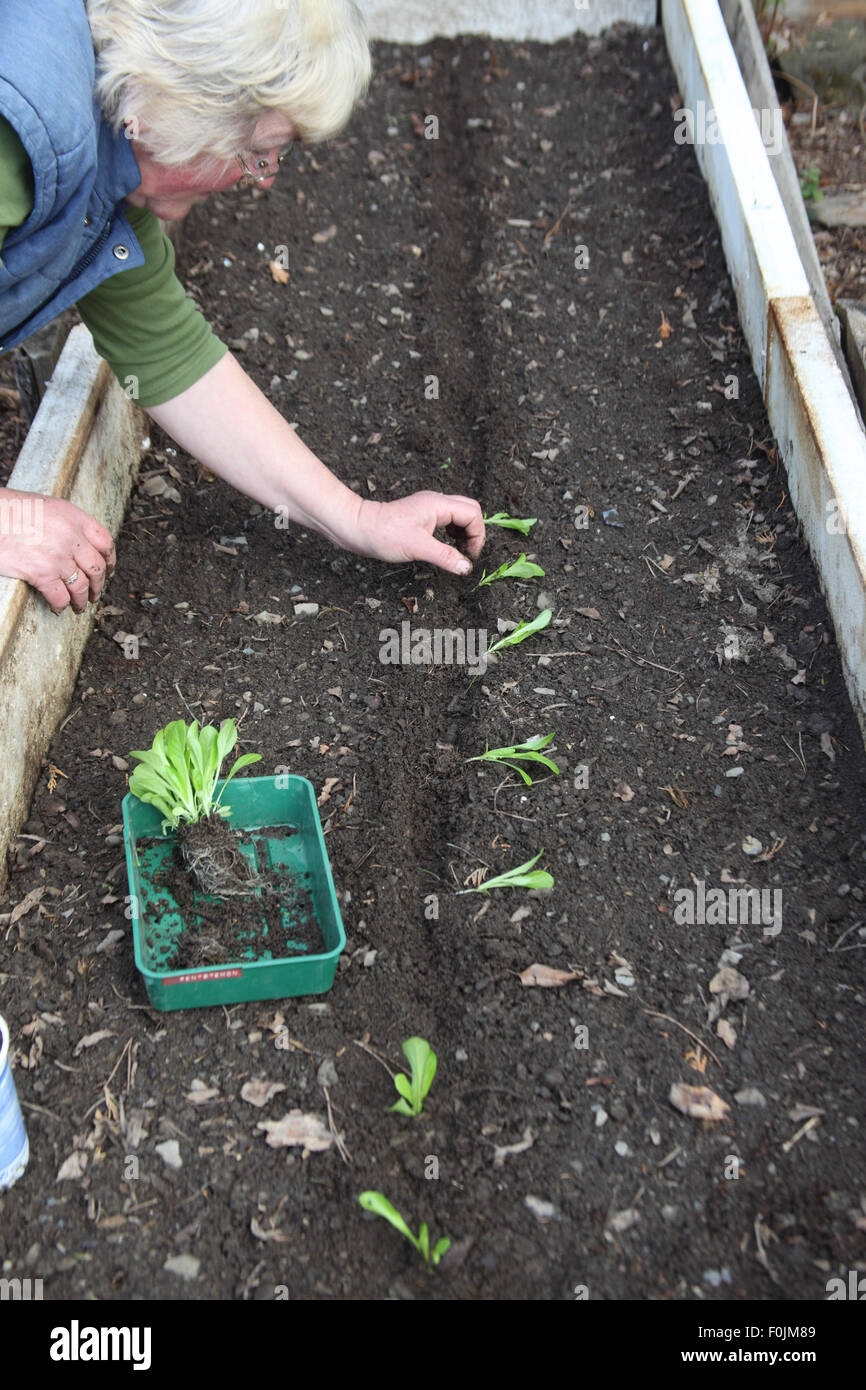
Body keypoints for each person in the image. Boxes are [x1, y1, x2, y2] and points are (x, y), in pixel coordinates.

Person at [0, 0, 485, 616]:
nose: (265, 180)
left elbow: (167, 351)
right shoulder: (23, 131)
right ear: (191, 114)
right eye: (260, 154)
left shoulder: (102, 163)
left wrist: (358, 518)